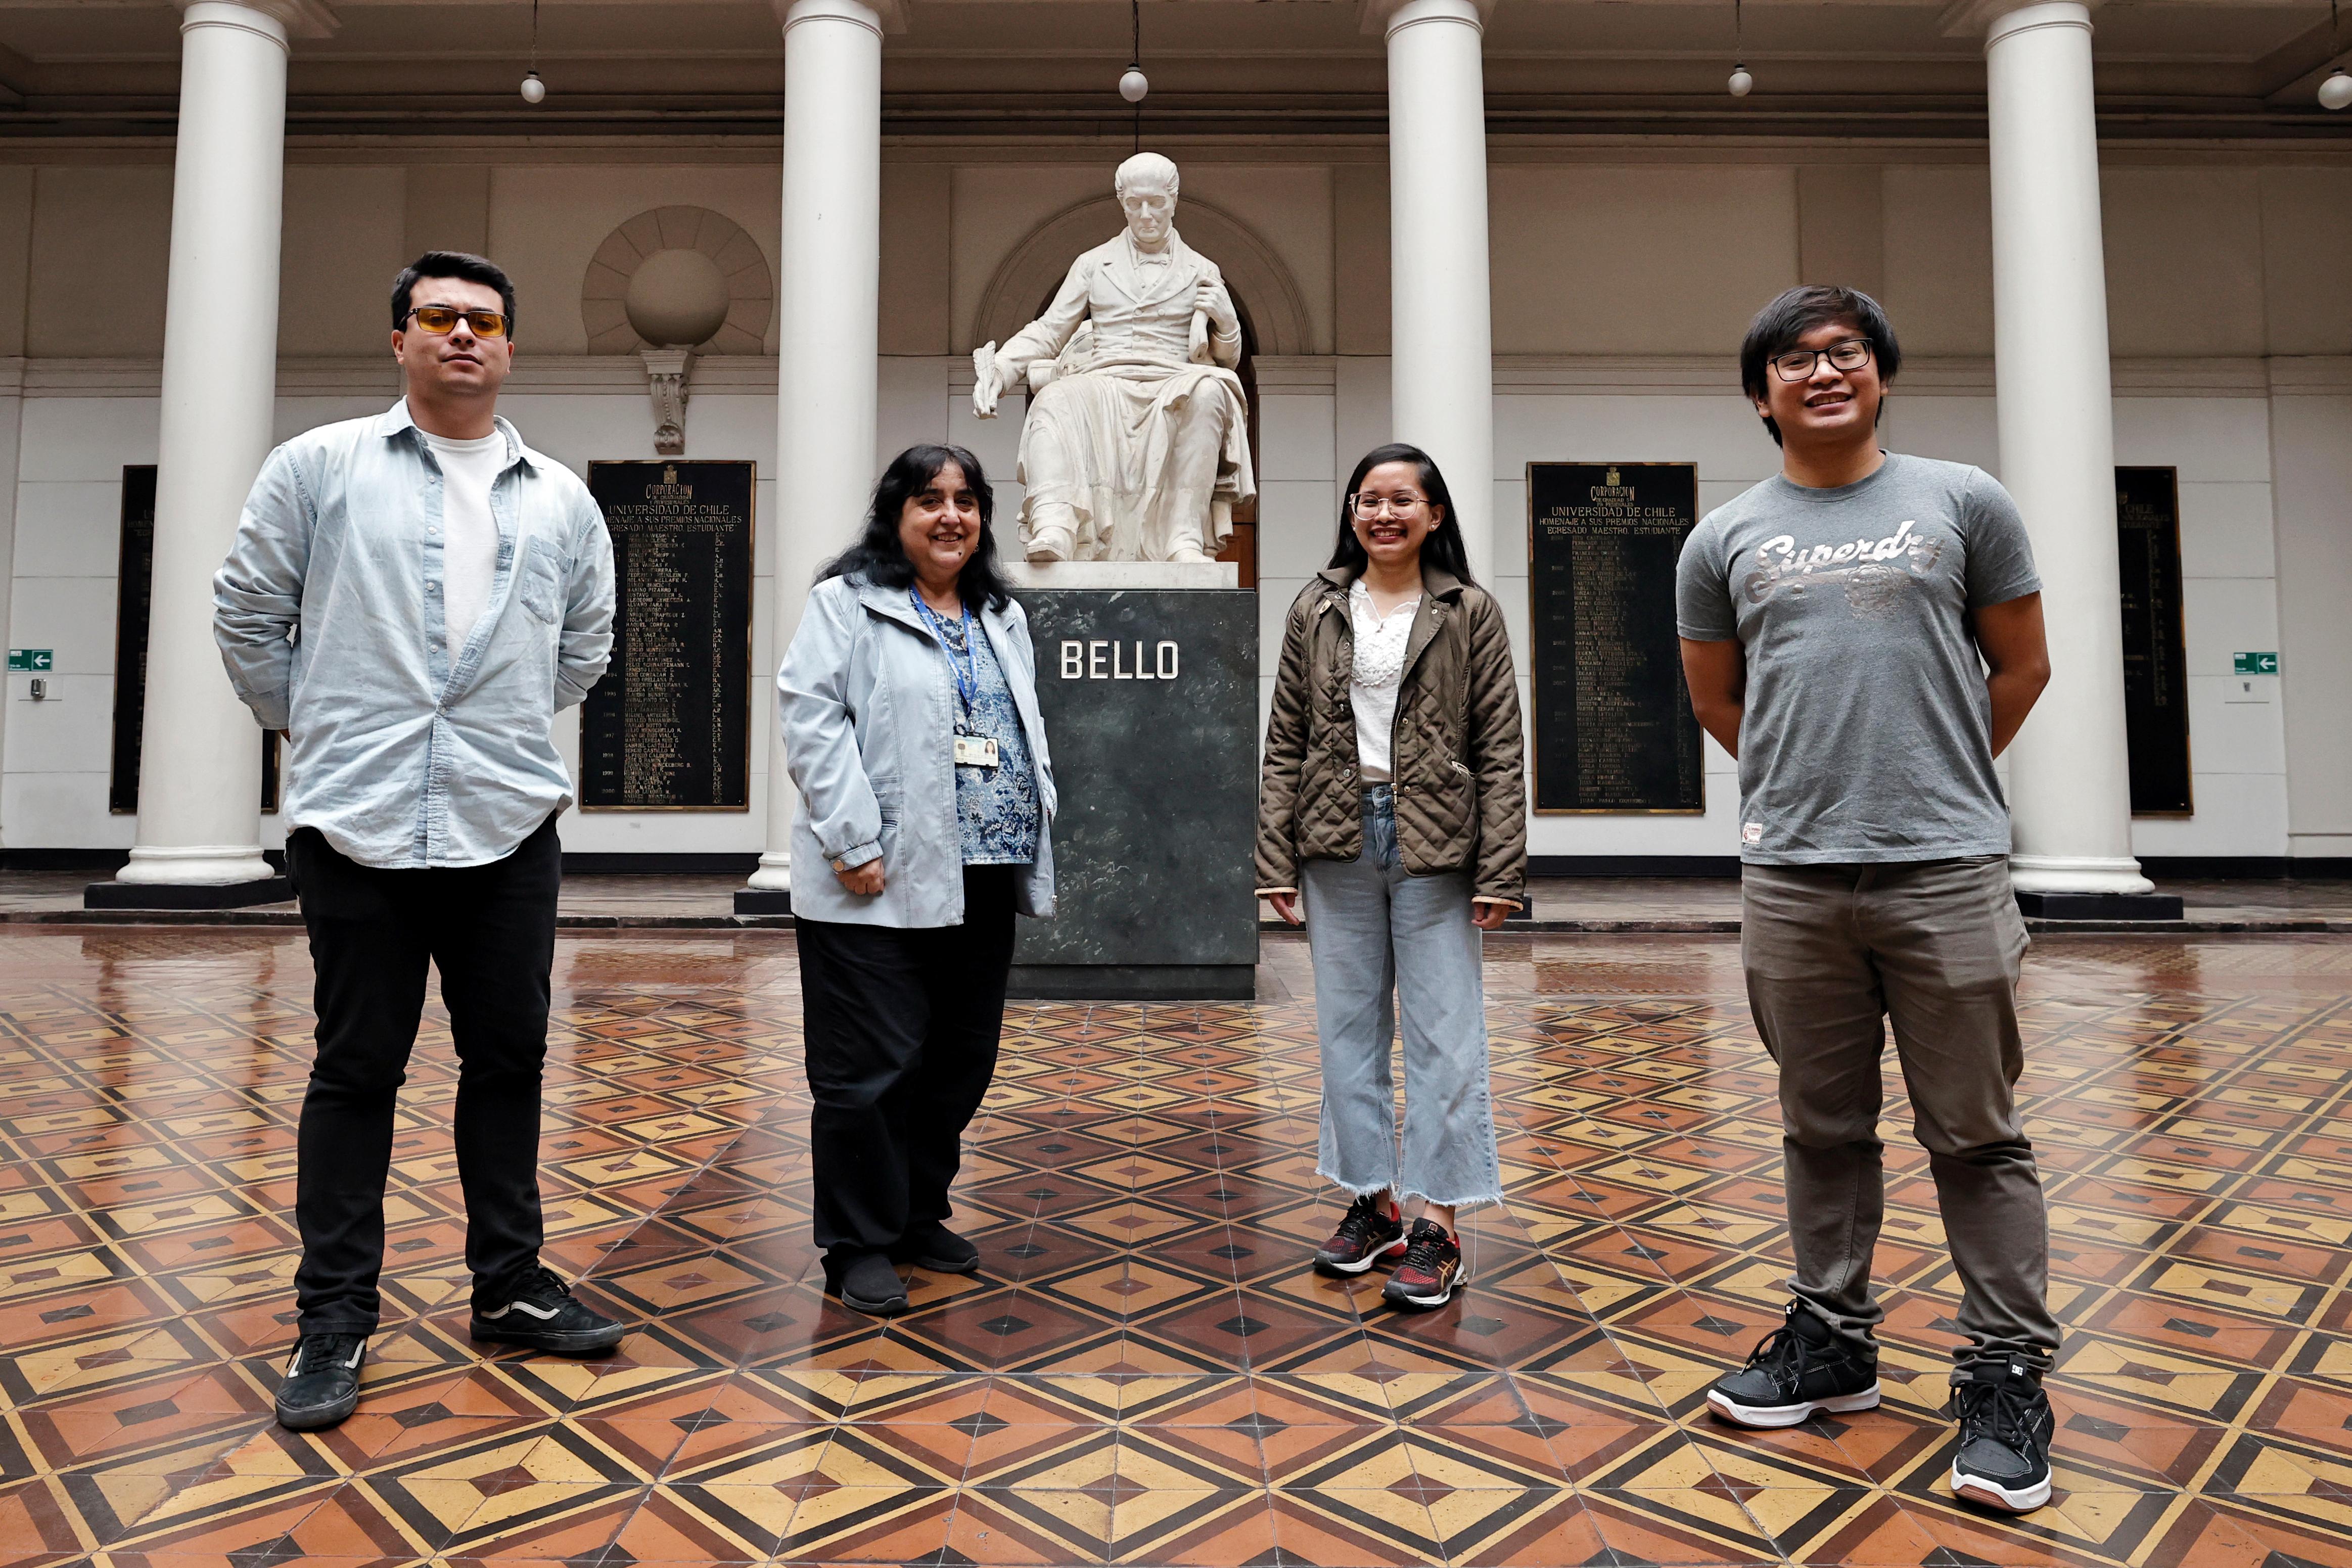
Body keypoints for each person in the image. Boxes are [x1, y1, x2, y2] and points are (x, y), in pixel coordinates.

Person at [213, 251, 624, 1434]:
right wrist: (320, 719)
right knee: (357, 1071)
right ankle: (333, 1317)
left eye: (483, 321)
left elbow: (586, 640)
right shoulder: (319, 468)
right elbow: (247, 613)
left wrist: (493, 724)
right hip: (357, 818)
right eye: (438, 318)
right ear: (398, 340)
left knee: (508, 1062)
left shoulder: (559, 497)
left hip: (506, 818)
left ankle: (510, 1286)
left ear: (509, 345)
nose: (462, 336)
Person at [1676, 285, 2059, 1512]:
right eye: (1793, 358)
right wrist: (1813, 787)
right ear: (1760, 395)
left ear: (1880, 375)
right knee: (1819, 1127)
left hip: (1944, 866)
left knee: (1976, 1136)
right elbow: (1717, 703)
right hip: (1791, 876)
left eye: (1843, 352)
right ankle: (1831, 1341)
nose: (1821, 370)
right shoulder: (1720, 538)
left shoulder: (1961, 501)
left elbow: (2021, 663)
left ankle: (2003, 1374)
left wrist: (1928, 771)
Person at [778, 444, 1056, 1316]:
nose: (951, 516)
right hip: (876, 877)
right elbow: (811, 719)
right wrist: (851, 839)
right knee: (870, 1069)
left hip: (980, 872)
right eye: (930, 500)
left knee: (957, 1059)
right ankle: (858, 1240)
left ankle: (914, 1211)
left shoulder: (999, 615)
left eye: (966, 501)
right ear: (895, 515)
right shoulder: (847, 605)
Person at [1255, 442, 1526, 1311]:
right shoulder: (1316, 606)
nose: (1381, 514)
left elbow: (1500, 746)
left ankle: (1437, 1222)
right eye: (1366, 500)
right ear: (1350, 512)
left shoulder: (1467, 610)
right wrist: (1272, 858)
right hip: (1337, 838)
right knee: (1346, 1032)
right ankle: (1372, 1202)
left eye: (1400, 500)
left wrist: (1501, 868)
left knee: (1445, 1037)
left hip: (1436, 845)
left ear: (1434, 514)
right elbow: (1283, 741)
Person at [970, 151, 1253, 564]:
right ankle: (1056, 523)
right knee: (1055, 399)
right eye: (1135, 203)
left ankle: (1183, 537)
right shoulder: (1092, 264)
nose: (1146, 214)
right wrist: (1001, 369)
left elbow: (1225, 357)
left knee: (1209, 393)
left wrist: (1227, 322)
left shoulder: (1200, 269)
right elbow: (1051, 330)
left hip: (1172, 375)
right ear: (1122, 203)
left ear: (1173, 200)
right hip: (1105, 375)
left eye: (1155, 203)